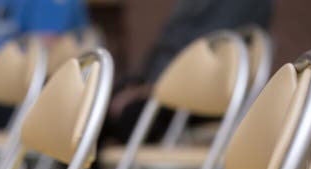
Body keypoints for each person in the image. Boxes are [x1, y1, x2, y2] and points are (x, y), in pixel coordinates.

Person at [105, 0, 274, 144]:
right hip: (176, 83)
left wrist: (149, 88)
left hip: (198, 90)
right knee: (98, 106)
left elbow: (206, 48)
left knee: (107, 118)